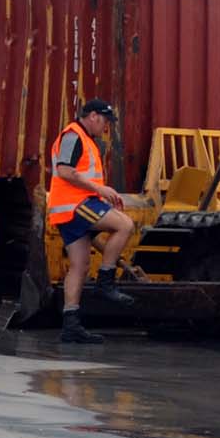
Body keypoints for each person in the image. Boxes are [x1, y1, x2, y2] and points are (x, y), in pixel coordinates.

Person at [48, 98, 137, 345]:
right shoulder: (73, 136)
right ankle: (105, 283)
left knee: (79, 265)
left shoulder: (85, 139)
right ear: (94, 116)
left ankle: (71, 325)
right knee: (125, 225)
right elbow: (66, 171)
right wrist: (101, 189)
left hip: (68, 209)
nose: (106, 127)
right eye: (106, 121)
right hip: (76, 205)